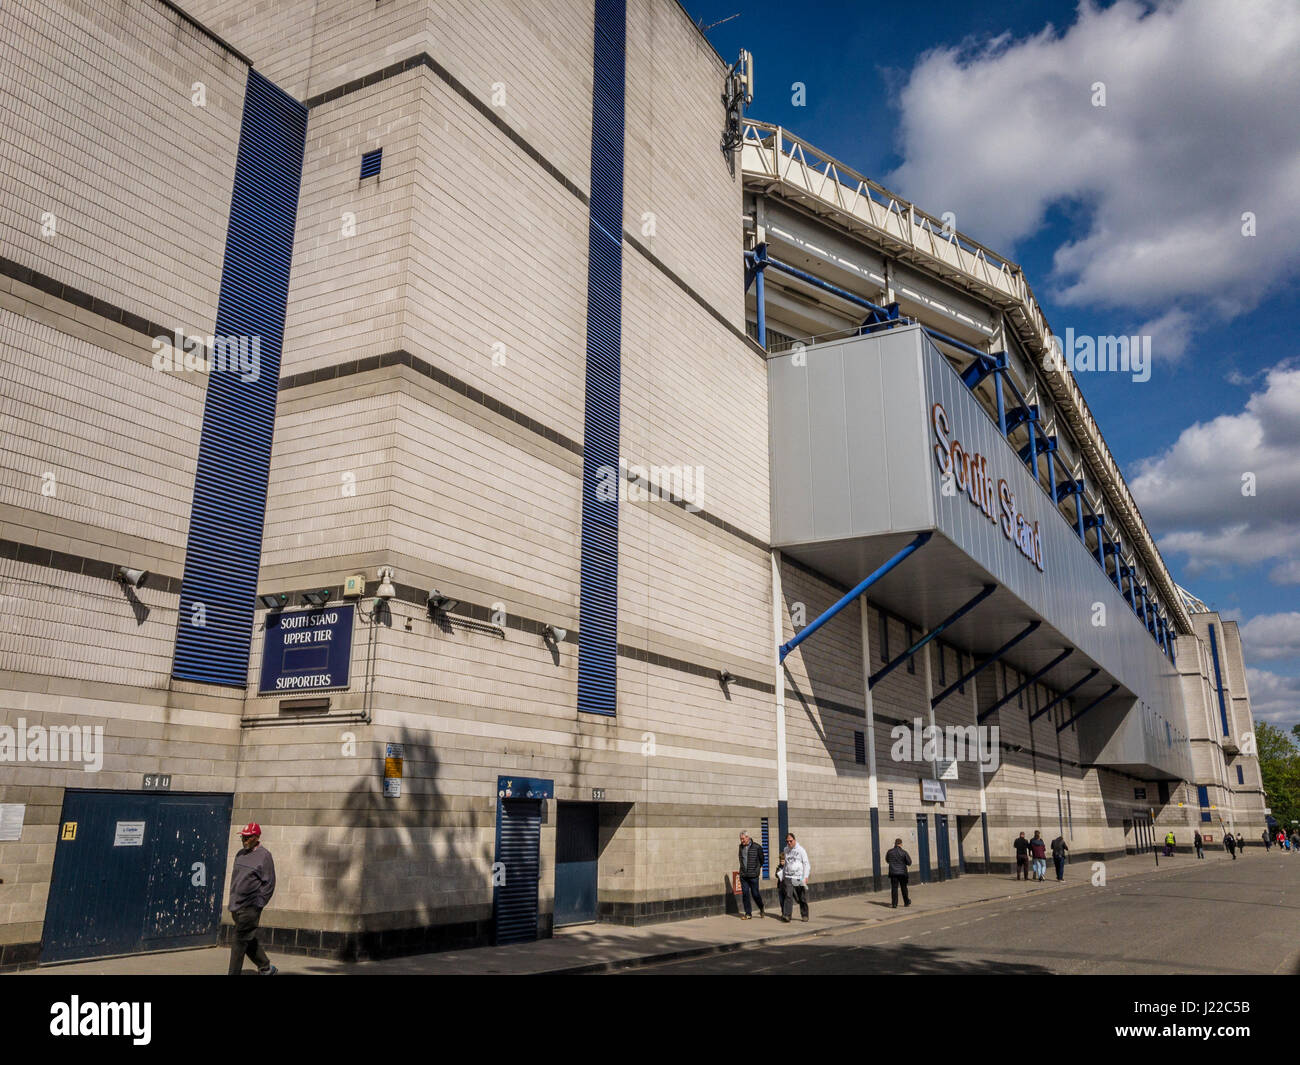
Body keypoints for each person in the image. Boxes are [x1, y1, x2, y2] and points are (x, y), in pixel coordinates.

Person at [228, 822, 277, 976]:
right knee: (248, 938)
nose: (245, 840)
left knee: (238, 941)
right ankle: (266, 968)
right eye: (243, 837)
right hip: (236, 906)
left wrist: (258, 904)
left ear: (257, 837)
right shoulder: (240, 854)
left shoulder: (264, 856)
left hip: (250, 907)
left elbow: (269, 883)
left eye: (248, 837)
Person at [780, 832, 811, 922]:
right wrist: (783, 875)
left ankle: (804, 915)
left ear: (794, 840)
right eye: (787, 841)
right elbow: (786, 863)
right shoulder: (786, 850)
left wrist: (805, 877)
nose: (789, 843)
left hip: (798, 877)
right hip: (788, 876)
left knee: (801, 897)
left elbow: (806, 864)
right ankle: (787, 915)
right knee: (788, 896)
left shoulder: (801, 850)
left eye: (791, 841)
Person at [737, 830, 765, 920]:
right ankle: (748, 913)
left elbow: (762, 860)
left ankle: (761, 907)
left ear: (747, 837)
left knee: (755, 894)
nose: (742, 841)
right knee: (745, 894)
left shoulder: (757, 847)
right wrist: (741, 871)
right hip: (744, 875)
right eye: (740, 839)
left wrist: (756, 870)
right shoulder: (740, 847)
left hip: (753, 875)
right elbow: (741, 859)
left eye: (743, 839)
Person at [885, 837, 912, 908]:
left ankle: (894, 903)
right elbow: (909, 862)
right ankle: (906, 902)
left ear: (895, 844)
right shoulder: (904, 852)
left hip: (893, 873)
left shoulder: (889, 852)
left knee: (894, 888)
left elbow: (887, 860)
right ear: (901, 844)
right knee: (904, 887)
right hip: (902, 873)